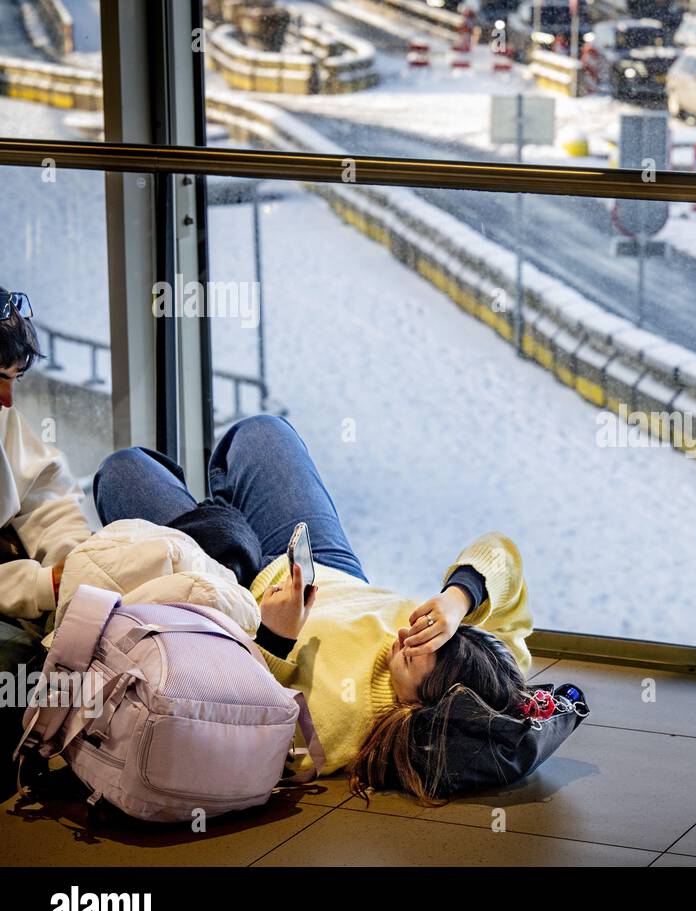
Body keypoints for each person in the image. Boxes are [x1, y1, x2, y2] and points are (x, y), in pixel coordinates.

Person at [90, 414, 535, 805]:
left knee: (124, 470)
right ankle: (218, 520)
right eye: (430, 634)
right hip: (328, 566)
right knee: (262, 432)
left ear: (424, 710)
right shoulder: (488, 676)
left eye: (418, 656)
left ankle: (219, 525)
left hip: (236, 593)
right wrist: (458, 599)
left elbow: (229, 712)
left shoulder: (334, 734)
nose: (406, 634)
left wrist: (273, 638)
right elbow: (504, 560)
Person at [0, 288, 94, 801]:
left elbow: (43, 493)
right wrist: (39, 586)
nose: (8, 403)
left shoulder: (3, 422)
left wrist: (74, 565)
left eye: (13, 381)